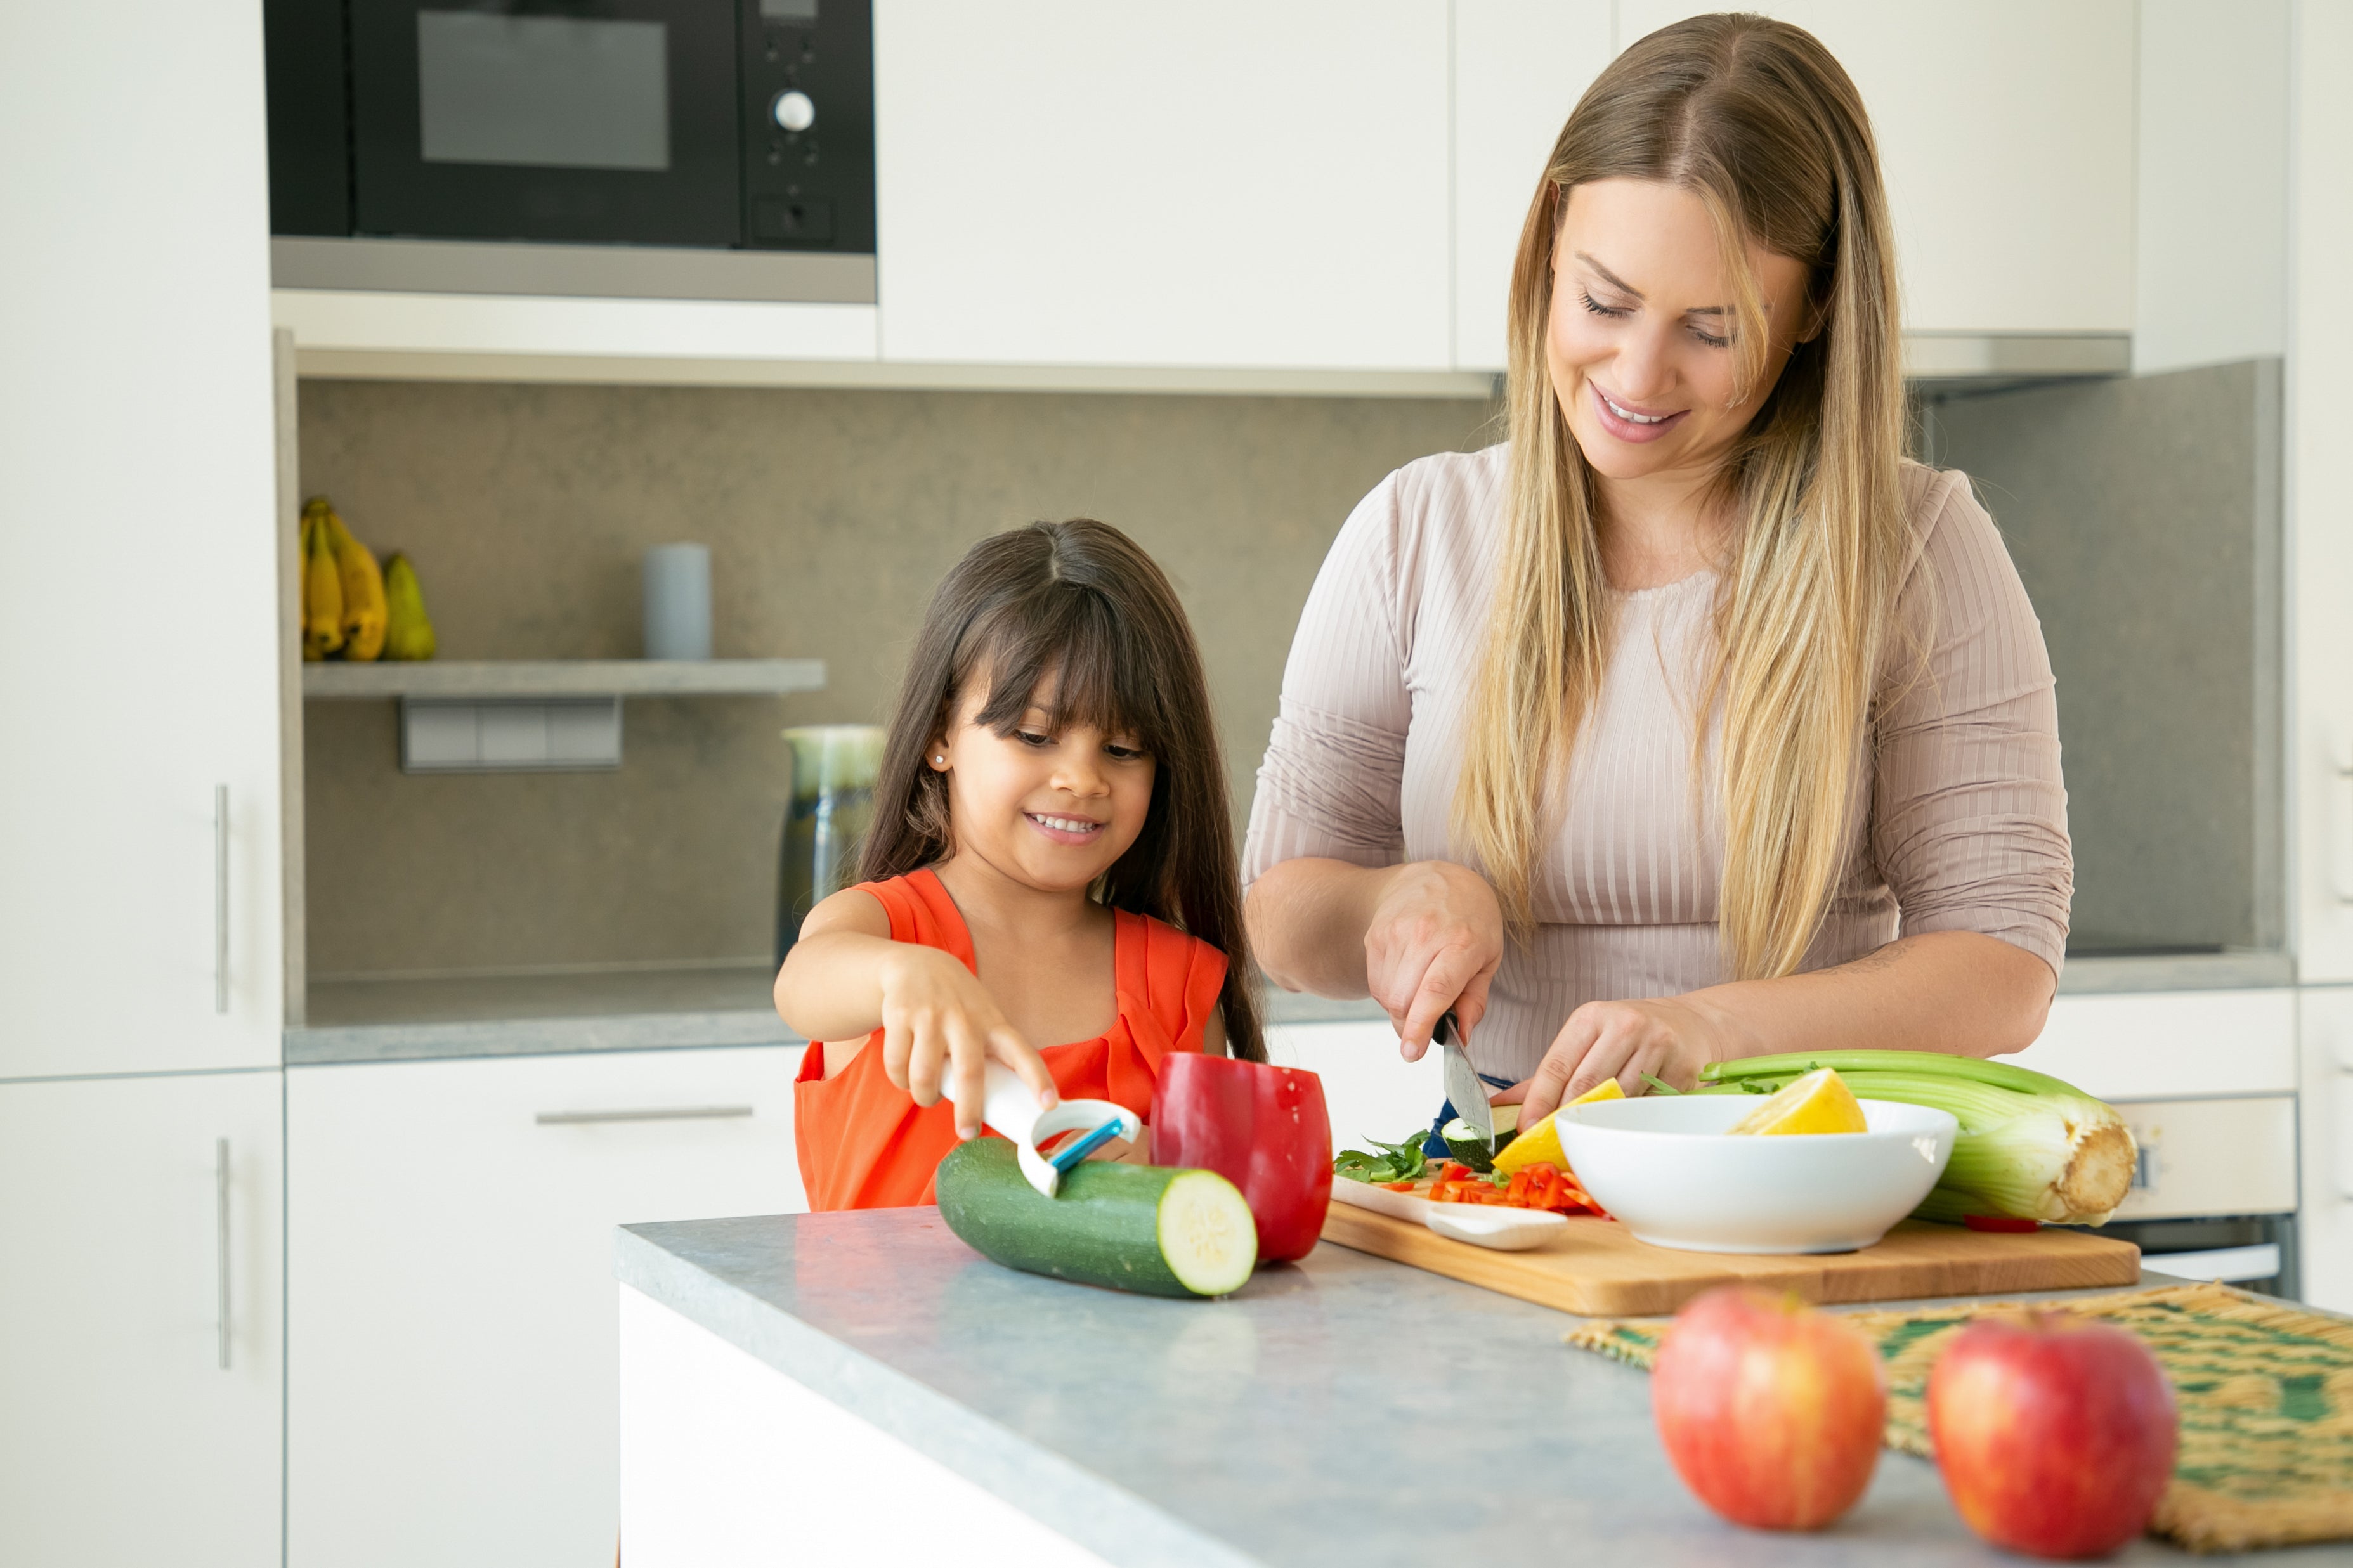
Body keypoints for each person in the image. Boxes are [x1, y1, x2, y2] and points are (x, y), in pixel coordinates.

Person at [1242, 14, 2071, 1134]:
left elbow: (2002, 959)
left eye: (1712, 329)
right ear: (1546, 249)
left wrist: (1713, 1029)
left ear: (1815, 312)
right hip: (1501, 1184)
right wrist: (1397, 899)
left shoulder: (1919, 547)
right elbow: (1282, 914)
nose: (1636, 373)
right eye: (1604, 301)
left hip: (1797, 1184)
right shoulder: (1415, 532)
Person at [778, 518, 1260, 1210]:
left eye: (1123, 750)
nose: (1081, 779)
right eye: (1035, 736)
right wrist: (903, 975)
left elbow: (1218, 1205)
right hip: (867, 1322)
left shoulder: (1180, 984)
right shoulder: (882, 933)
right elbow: (801, 983)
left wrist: (1171, 1165)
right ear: (940, 734)